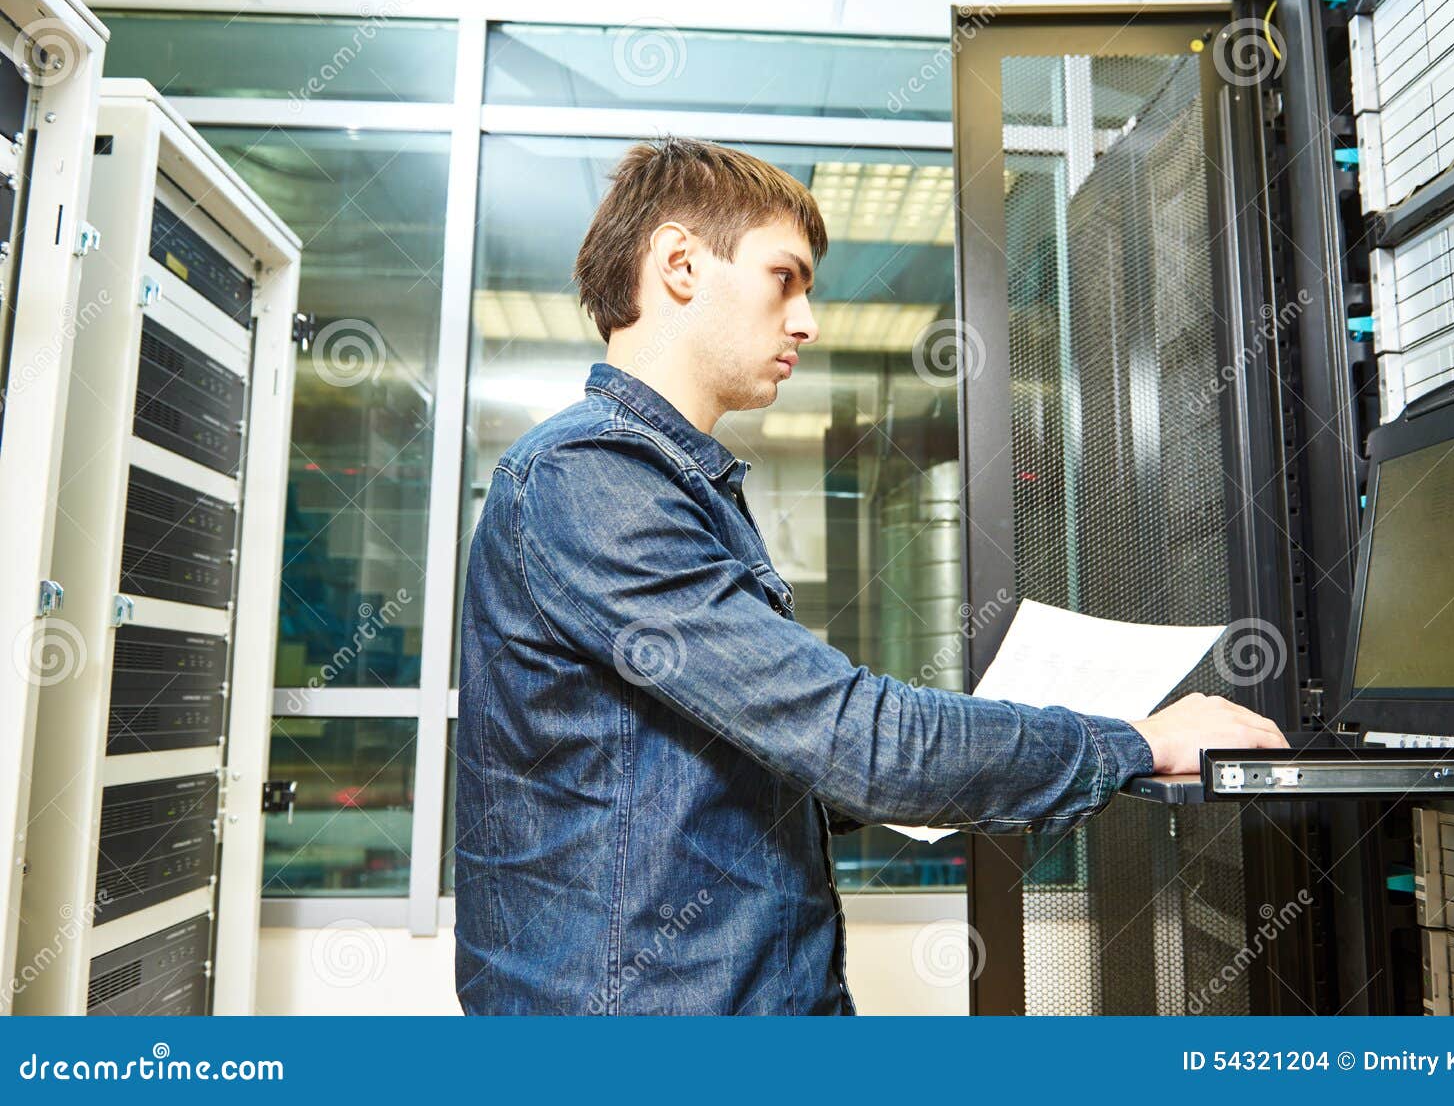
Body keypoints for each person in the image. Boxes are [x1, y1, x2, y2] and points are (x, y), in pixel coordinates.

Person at [453, 137, 1287, 1015]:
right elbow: (854, 742)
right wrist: (1135, 740)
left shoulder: (683, 486)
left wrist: (944, 751)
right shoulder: (590, 479)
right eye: (786, 277)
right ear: (680, 263)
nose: (807, 320)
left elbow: (737, 768)